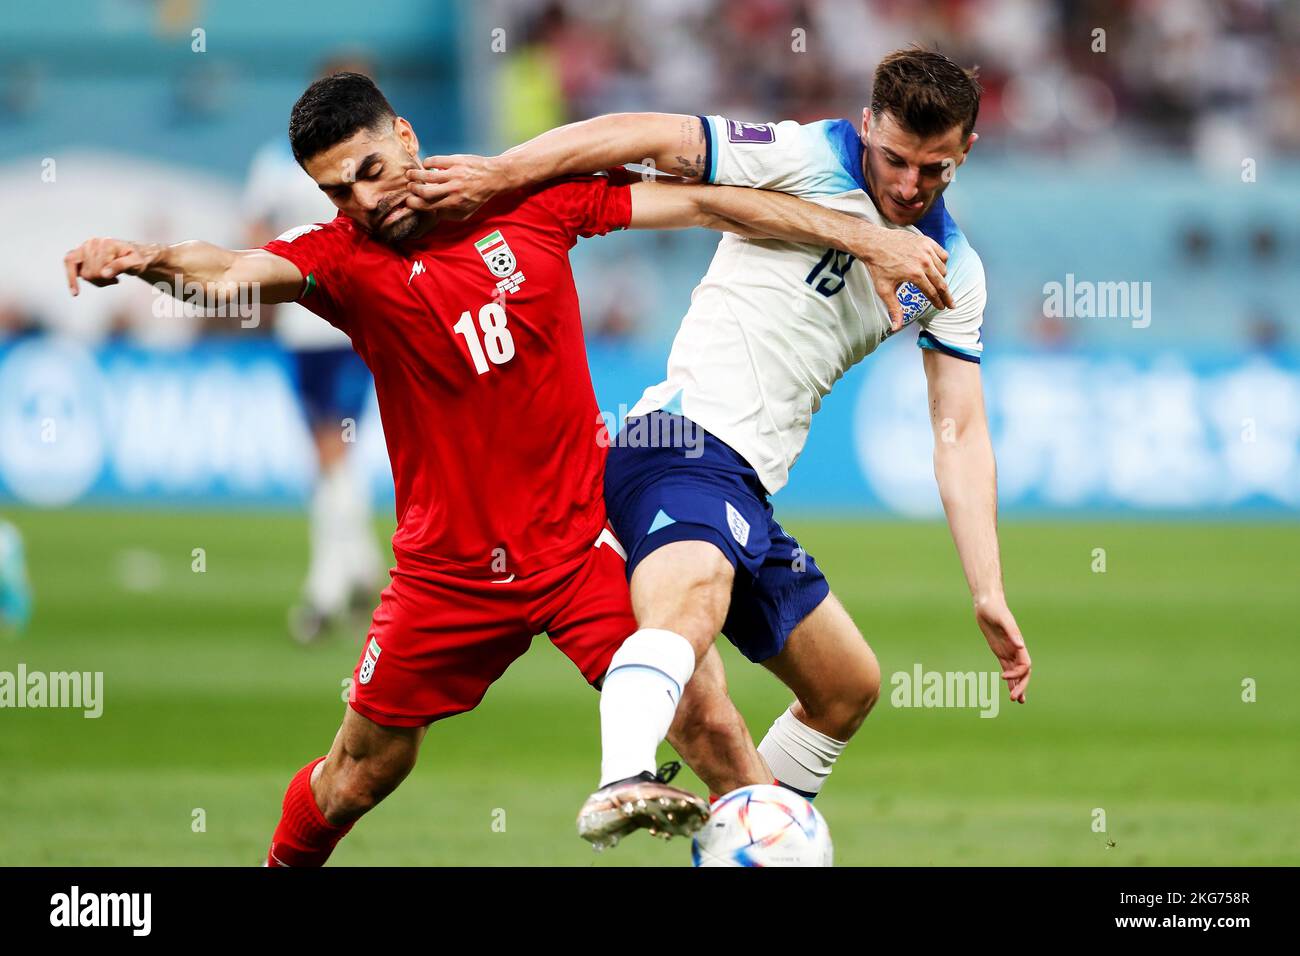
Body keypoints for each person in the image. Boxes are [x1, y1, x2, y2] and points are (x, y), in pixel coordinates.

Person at [63, 72, 949, 861]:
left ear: (406, 136)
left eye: (371, 170)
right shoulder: (339, 260)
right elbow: (231, 269)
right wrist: (148, 263)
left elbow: (712, 203)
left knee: (710, 718)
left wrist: (862, 236)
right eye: (338, 191)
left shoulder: (527, 198)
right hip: (445, 574)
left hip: (578, 543)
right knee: (358, 778)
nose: (363, 201)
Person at [405, 48, 1032, 849]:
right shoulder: (808, 157)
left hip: (744, 485)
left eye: (934, 169)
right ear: (868, 126)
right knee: (691, 603)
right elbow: (646, 134)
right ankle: (622, 775)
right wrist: (503, 172)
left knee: (846, 686)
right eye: (896, 160)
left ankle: (744, 838)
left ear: (967, 150)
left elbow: (961, 430)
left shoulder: (956, 272)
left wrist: (987, 587)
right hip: (679, 443)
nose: (910, 185)